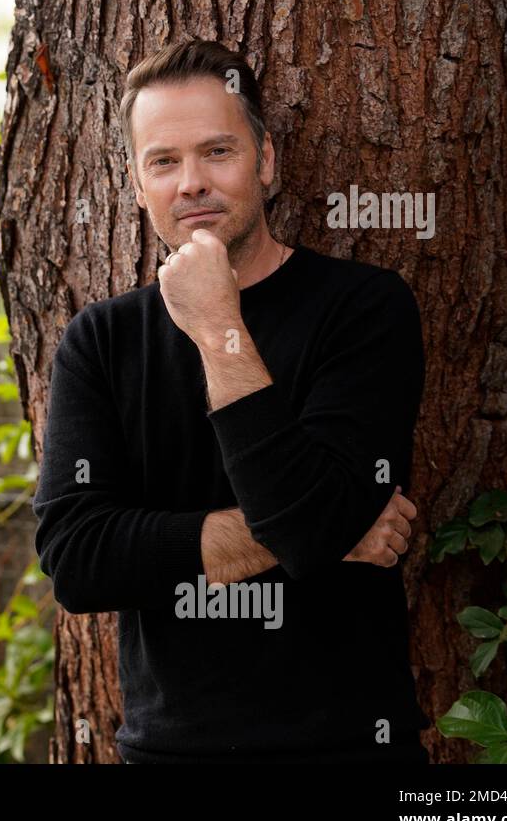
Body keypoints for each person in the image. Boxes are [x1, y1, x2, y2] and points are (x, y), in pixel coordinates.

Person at [33, 40, 430, 764]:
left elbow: (304, 523)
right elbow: (79, 560)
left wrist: (218, 328)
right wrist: (313, 535)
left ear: (266, 161)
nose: (191, 183)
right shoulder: (101, 341)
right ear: (137, 182)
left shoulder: (364, 310)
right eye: (164, 161)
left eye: (218, 151)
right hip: (170, 755)